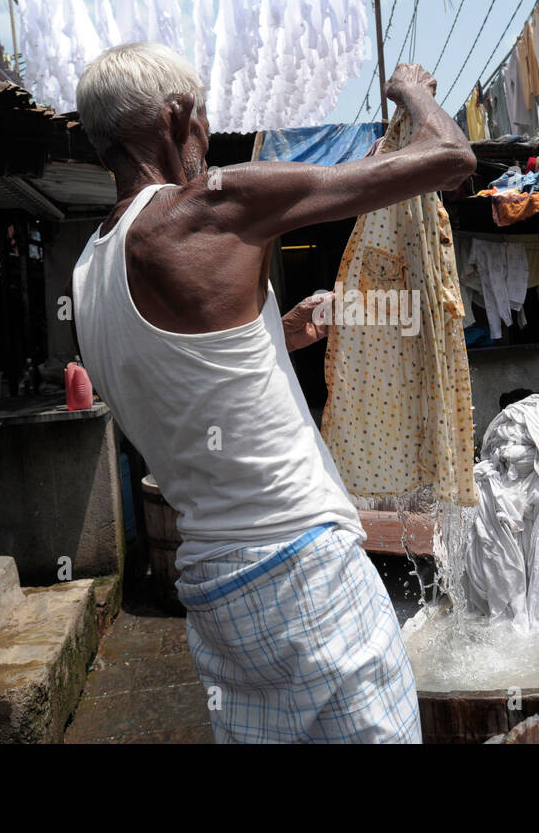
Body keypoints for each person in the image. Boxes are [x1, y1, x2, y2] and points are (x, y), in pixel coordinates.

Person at [70, 42, 475, 743]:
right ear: (176, 118)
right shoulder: (207, 210)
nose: (206, 141)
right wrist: (412, 93)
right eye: (200, 123)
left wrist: (274, 336)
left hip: (215, 589)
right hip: (300, 567)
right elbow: (449, 157)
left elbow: (180, 378)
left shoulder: (88, 269)